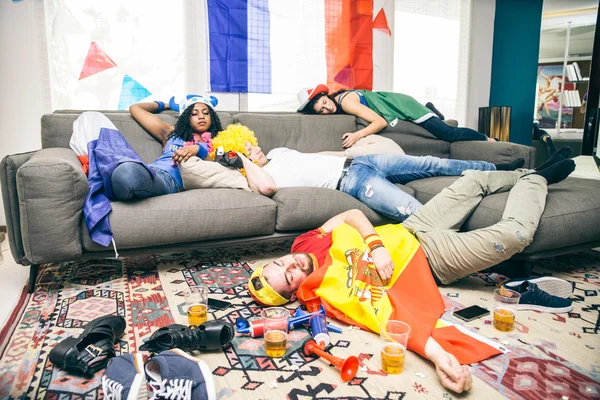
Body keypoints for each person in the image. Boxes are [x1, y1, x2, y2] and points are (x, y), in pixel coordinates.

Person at [247, 151, 575, 393]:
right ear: (295, 292)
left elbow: (349, 215)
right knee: (514, 234)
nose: (292, 265)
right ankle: (537, 180)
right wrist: (439, 356)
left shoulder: (304, 244)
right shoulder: (327, 292)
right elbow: (381, 313)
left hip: (412, 228)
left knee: (473, 180)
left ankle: (527, 174)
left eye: (279, 263)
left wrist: (375, 245)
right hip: (432, 259)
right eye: (290, 276)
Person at [243, 142, 525, 222]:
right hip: (353, 180)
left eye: (251, 144)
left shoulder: (278, 152)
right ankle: (464, 245)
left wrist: (350, 152)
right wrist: (241, 160)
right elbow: (266, 188)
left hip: (360, 161)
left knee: (432, 162)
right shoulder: (264, 177)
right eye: (247, 151)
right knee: (415, 212)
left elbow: (316, 155)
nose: (253, 149)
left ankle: (497, 167)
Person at [296, 85, 495, 157]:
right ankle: (432, 111)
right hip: (396, 104)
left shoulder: (346, 102)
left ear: (326, 95)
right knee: (439, 127)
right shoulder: (339, 103)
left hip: (403, 106)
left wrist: (357, 135)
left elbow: (380, 122)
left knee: (449, 134)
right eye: (321, 110)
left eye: (324, 102)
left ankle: (486, 138)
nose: (326, 108)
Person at [113, 96, 224, 201]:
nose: (201, 116)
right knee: (124, 168)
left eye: (206, 113)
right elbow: (135, 108)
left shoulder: (220, 140)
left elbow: (220, 166)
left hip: (170, 180)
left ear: (212, 117)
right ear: (185, 117)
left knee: (128, 173)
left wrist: (198, 149)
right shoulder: (172, 133)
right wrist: (166, 105)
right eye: (194, 113)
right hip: (151, 171)